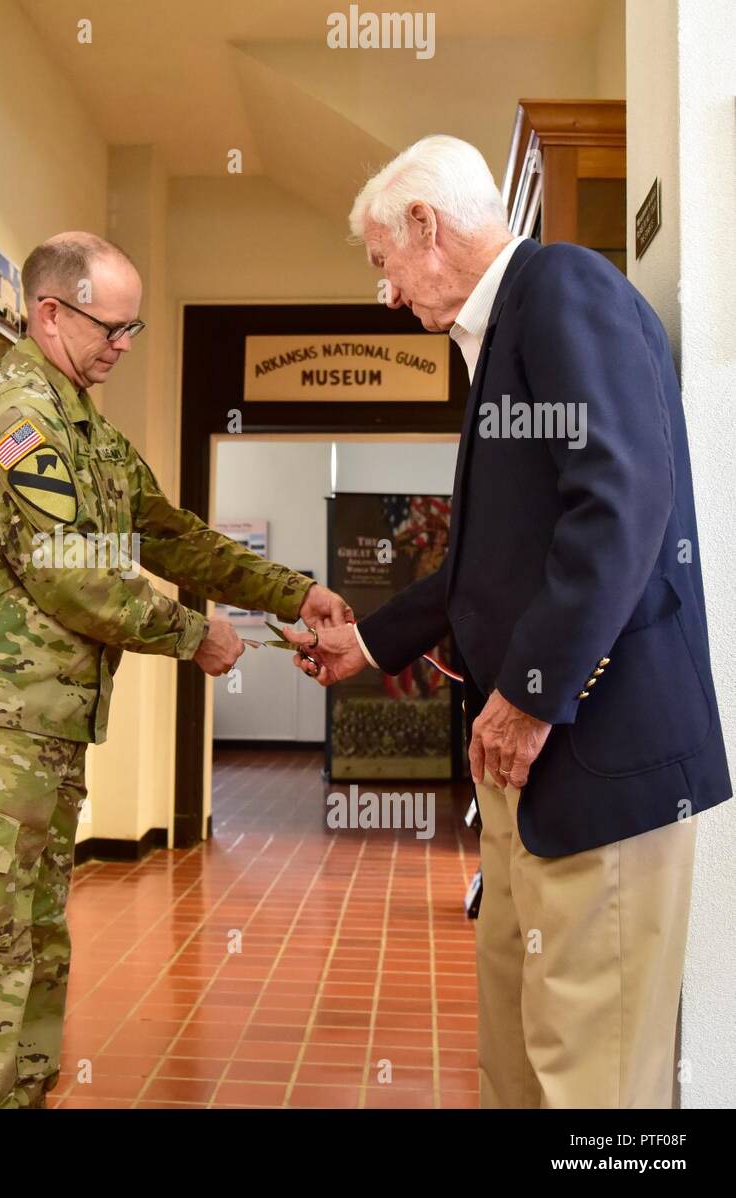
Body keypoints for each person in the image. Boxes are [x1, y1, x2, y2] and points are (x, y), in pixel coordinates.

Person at [286, 135, 730, 1108]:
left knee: (595, 1080)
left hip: (590, 757)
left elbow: (621, 500)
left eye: (381, 263)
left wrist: (528, 696)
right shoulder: (500, 341)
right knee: (521, 1060)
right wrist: (363, 642)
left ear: (423, 225)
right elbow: (482, 566)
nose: (385, 295)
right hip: (527, 768)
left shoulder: (563, 288)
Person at [0, 231, 351, 1108]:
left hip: (38, 743)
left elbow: (172, 536)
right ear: (51, 312)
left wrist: (296, 594)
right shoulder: (14, 417)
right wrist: (193, 636)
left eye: (134, 330)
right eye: (114, 329)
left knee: (30, 965)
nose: (124, 348)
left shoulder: (85, 431)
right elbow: (71, 569)